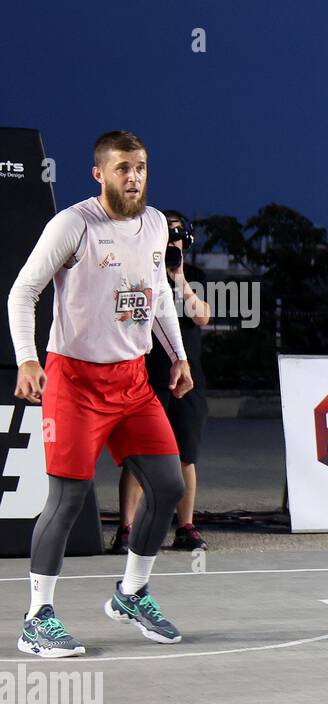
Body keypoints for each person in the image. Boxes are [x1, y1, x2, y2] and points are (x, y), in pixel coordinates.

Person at [6, 130, 191, 657]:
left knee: (168, 487)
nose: (134, 177)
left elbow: (156, 297)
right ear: (99, 174)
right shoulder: (74, 224)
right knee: (67, 498)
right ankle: (37, 616)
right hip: (75, 380)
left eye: (141, 167)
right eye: (123, 168)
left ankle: (132, 592)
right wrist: (27, 358)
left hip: (132, 381)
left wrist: (177, 355)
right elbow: (23, 291)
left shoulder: (156, 224)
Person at [112, 210, 211, 553]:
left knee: (186, 455)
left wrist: (179, 278)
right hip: (146, 375)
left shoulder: (194, 275)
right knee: (138, 455)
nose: (173, 242)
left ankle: (186, 526)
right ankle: (125, 529)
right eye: (166, 235)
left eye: (178, 236)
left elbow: (201, 316)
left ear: (188, 241)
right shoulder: (138, 271)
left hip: (187, 377)